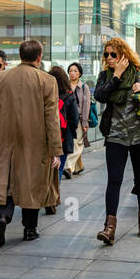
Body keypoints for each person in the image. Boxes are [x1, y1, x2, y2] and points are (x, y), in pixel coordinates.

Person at [0, 39, 62, 245]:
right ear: (39, 57)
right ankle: (29, 229)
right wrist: (55, 149)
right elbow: (51, 118)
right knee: (31, 182)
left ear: (20, 56)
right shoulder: (47, 80)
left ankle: (2, 216)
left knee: (4, 180)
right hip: (34, 142)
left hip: (3, 139)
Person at [92, 37, 140, 242]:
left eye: (113, 54)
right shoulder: (106, 75)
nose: (109, 58)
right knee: (114, 180)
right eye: (106, 54)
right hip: (116, 136)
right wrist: (116, 76)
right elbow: (99, 96)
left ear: (123, 55)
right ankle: (109, 227)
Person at [50, 65, 79, 213]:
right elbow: (74, 119)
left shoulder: (46, 94)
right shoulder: (69, 95)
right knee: (59, 168)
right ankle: (53, 198)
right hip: (64, 137)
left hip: (47, 137)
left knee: (47, 169)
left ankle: (47, 196)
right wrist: (72, 131)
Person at [66, 62, 91, 176]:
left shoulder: (84, 87)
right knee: (74, 143)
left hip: (79, 119)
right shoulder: (65, 86)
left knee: (77, 143)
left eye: (75, 71)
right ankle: (78, 167)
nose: (72, 73)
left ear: (80, 73)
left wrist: (85, 122)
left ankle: (69, 167)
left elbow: (86, 105)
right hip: (67, 119)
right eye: (71, 70)